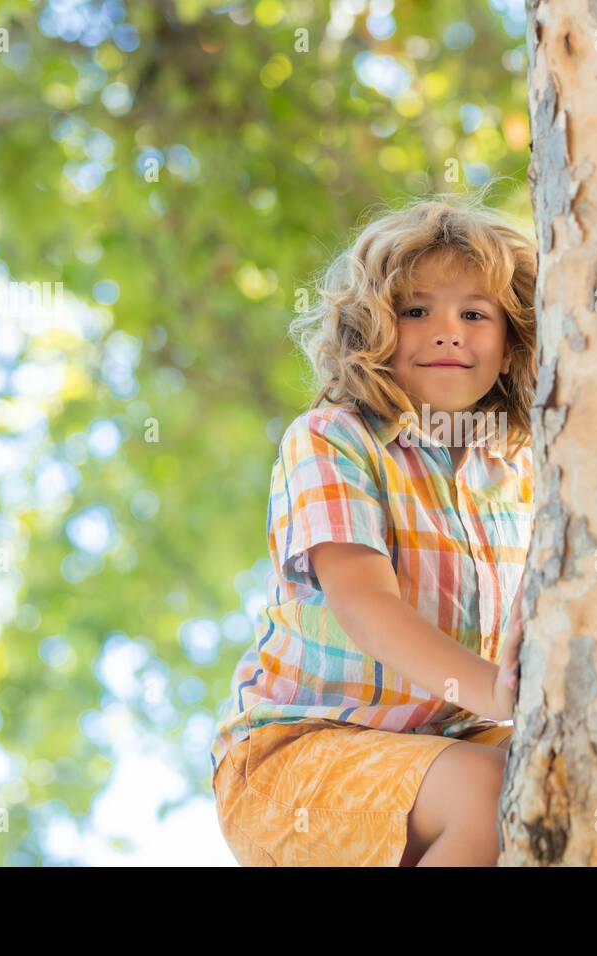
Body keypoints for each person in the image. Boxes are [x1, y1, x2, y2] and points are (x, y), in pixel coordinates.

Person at [210, 192, 537, 866]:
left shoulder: (523, 475)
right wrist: (495, 692)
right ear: (373, 334)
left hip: (448, 747)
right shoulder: (336, 439)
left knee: (566, 780)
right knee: (490, 792)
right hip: (298, 757)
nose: (448, 330)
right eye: (417, 311)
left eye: (475, 314)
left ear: (509, 348)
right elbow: (366, 606)